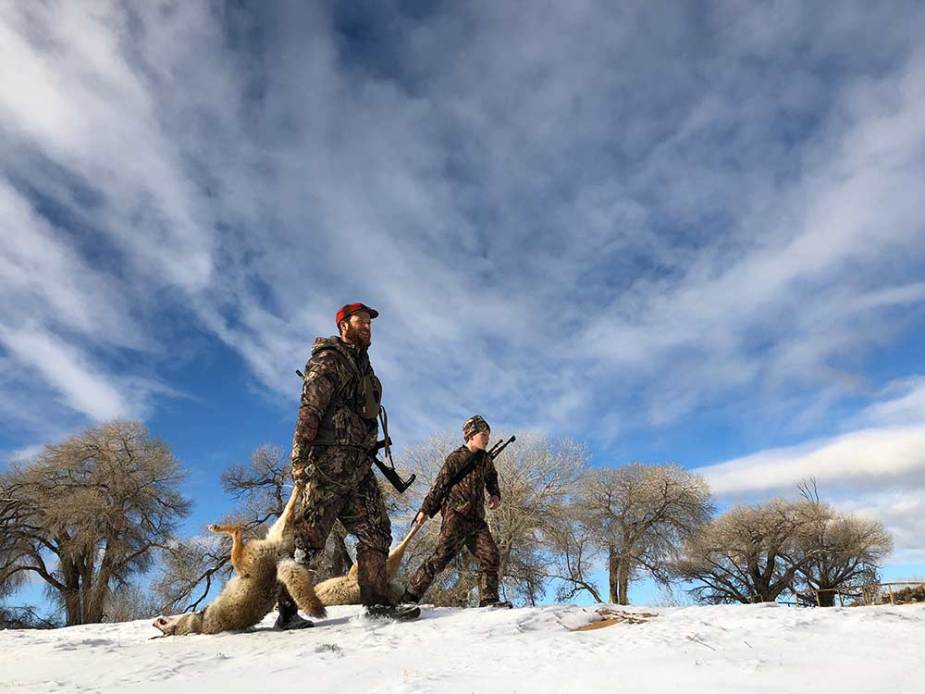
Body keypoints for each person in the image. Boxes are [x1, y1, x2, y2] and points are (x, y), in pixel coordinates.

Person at [276, 302, 419, 628]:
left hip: (358, 468)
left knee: (378, 533)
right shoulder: (330, 359)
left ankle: (377, 605)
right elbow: (310, 408)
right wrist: (299, 458)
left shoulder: (364, 368)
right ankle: (286, 610)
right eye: (361, 321)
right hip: (327, 466)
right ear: (344, 325)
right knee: (308, 541)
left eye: (370, 322)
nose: (367, 326)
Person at [401, 415, 512, 608]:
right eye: (483, 434)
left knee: (491, 556)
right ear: (471, 435)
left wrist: (495, 494)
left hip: (477, 520)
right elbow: (439, 485)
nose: (487, 438)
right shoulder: (455, 458)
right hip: (456, 517)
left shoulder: (485, 459)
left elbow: (491, 477)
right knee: (440, 558)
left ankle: (489, 600)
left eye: (488, 435)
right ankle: (408, 599)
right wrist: (425, 509)